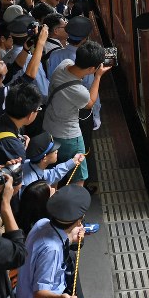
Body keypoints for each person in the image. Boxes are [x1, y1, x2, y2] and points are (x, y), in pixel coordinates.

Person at [16, 185, 119, 298]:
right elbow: (39, 293)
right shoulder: (52, 250)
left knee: (71, 254)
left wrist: (72, 240)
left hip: (25, 295)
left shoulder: (42, 223)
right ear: (78, 221)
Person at [43, 41, 110, 188]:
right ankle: (75, 207)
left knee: (54, 172)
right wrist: (98, 76)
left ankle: (50, 201)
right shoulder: (78, 91)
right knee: (78, 177)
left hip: (49, 127)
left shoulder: (64, 64)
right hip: (69, 136)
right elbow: (90, 102)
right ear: (92, 68)